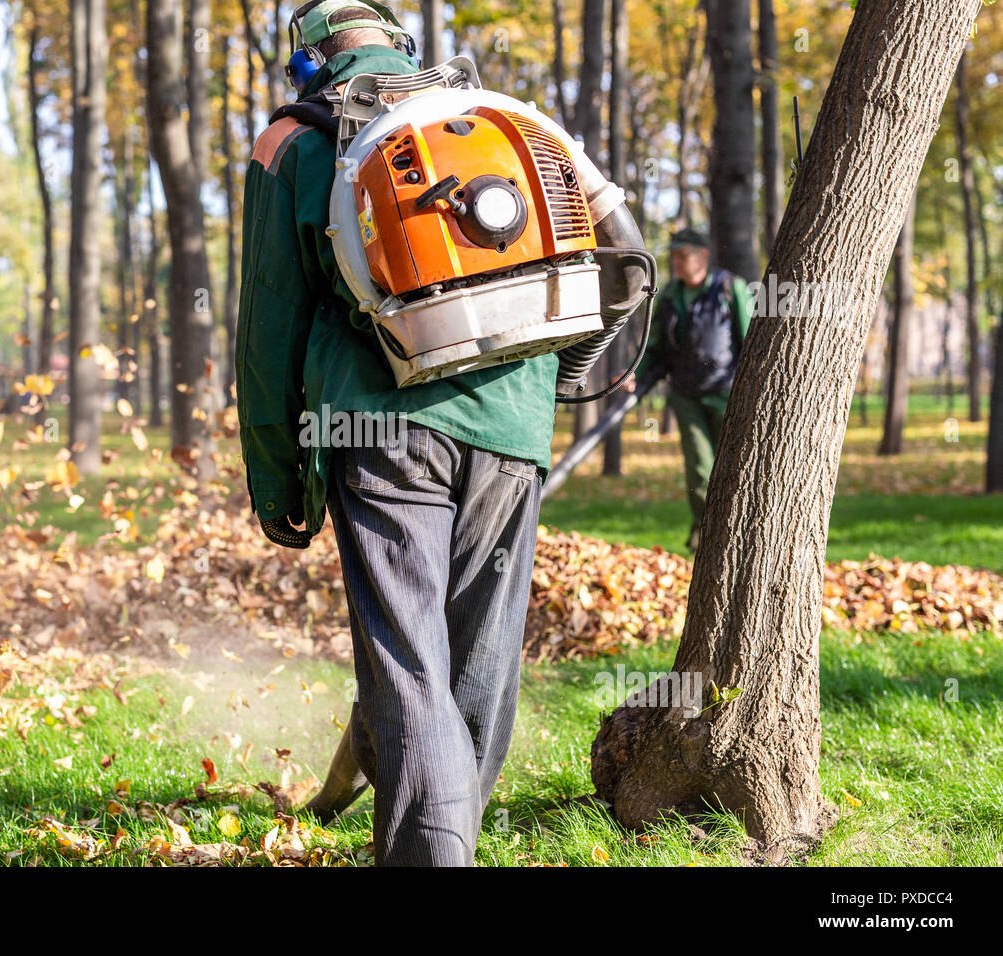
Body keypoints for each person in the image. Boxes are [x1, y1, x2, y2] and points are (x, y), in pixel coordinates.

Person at [235, 1, 566, 866]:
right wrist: (536, 406)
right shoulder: (488, 119)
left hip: (380, 425)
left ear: (305, 64)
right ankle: (446, 834)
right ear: (402, 47)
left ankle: (429, 856)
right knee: (481, 654)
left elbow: (269, 329)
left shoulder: (291, 142)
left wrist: (278, 488)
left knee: (408, 660)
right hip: (512, 421)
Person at [623, 227, 755, 553]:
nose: (678, 262)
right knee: (699, 471)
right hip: (686, 395)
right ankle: (707, 537)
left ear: (703, 255)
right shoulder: (669, 295)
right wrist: (633, 374)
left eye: (684, 255)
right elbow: (652, 348)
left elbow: (751, 341)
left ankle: (741, 535)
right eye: (675, 256)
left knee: (737, 468)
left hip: (727, 393)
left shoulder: (729, 287)